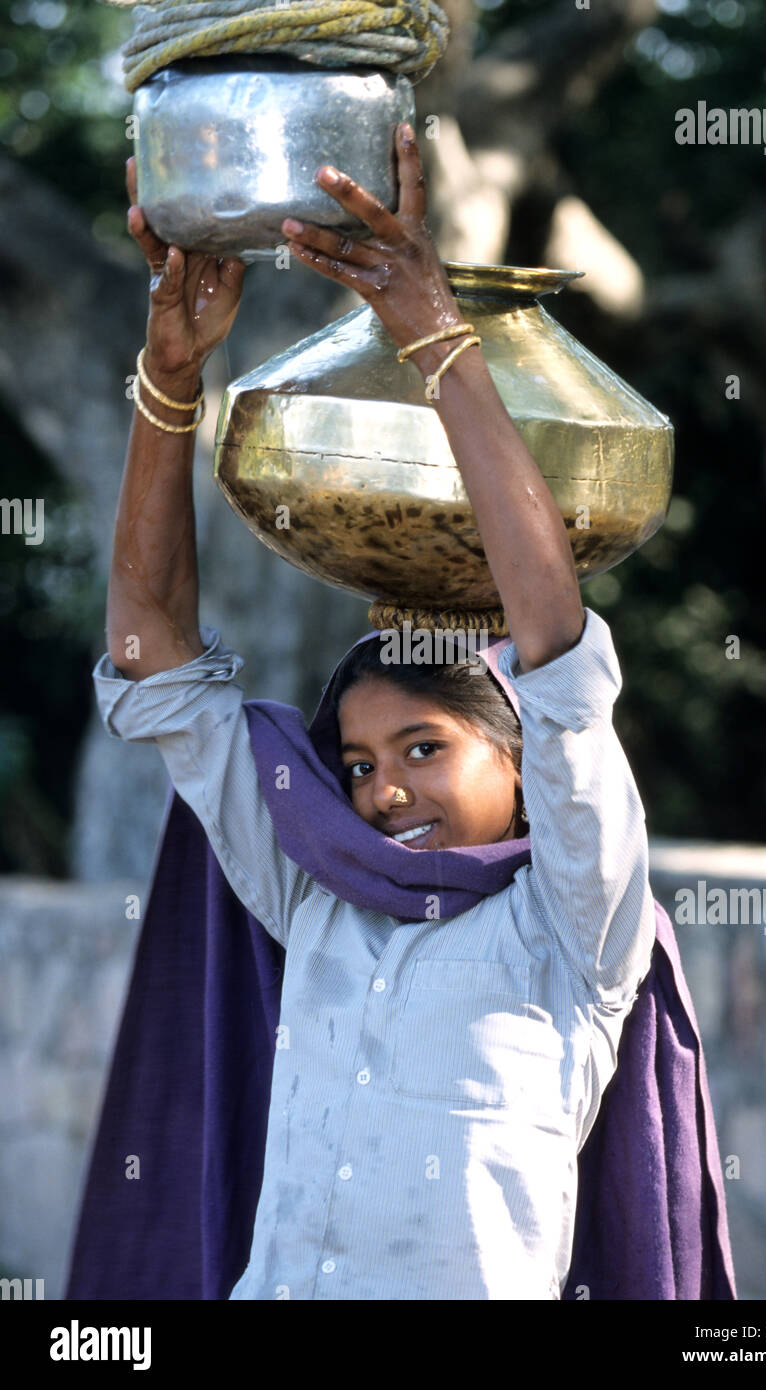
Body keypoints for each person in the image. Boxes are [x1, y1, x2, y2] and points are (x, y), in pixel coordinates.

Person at [94, 123, 660, 1300]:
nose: (380, 789)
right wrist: (175, 378)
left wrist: (435, 341)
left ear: (522, 760)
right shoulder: (319, 897)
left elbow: (552, 639)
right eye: (353, 763)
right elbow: (150, 650)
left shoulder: (572, 932)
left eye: (422, 748)